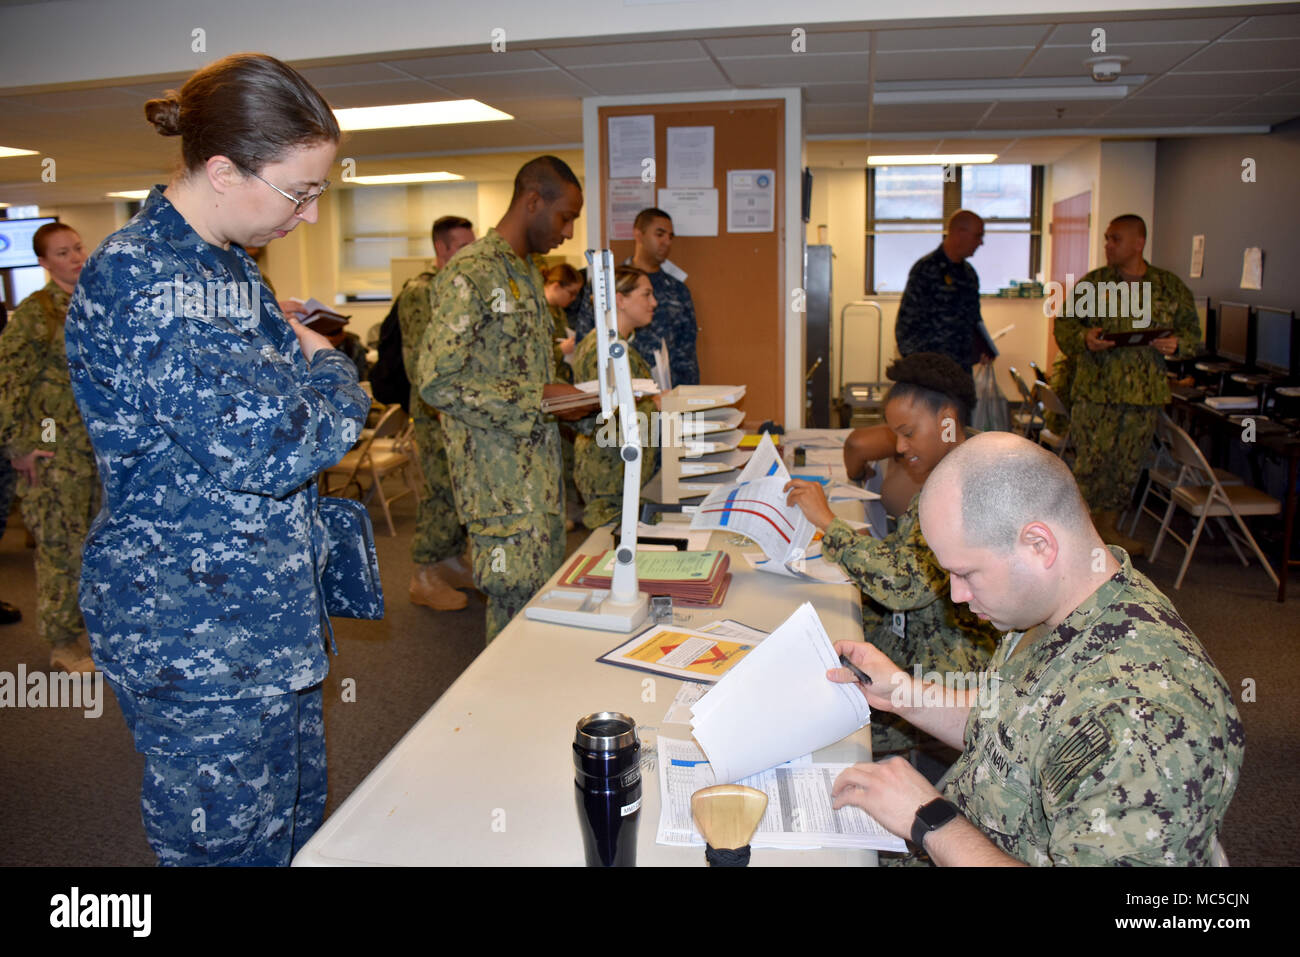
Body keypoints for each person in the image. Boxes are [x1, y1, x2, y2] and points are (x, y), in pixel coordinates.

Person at [64, 53, 368, 866]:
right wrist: (337, 371)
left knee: (297, 832)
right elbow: (269, 445)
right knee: (229, 852)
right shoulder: (143, 276)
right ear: (226, 171)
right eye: (300, 192)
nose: (308, 216)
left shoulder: (227, 265)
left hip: (260, 619)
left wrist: (295, 360)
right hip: (194, 633)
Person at [828, 432, 1243, 865]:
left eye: (966, 573)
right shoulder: (1052, 607)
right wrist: (901, 693)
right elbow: (1009, 727)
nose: (956, 595)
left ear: (1039, 545)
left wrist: (930, 821)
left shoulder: (1144, 722)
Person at [784, 353, 999, 753]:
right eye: (895, 434)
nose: (899, 447)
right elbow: (910, 557)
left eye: (908, 432)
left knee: (827, 726)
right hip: (919, 640)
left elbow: (904, 585)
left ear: (948, 420)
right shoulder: (953, 470)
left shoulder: (970, 486)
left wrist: (830, 523)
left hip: (948, 673)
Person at [419, 155, 588, 642]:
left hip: (538, 484)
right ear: (532, 201)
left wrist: (574, 404)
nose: (569, 231)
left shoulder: (525, 273)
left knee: (538, 615)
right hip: (500, 491)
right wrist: (540, 399)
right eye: (565, 216)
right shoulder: (471, 272)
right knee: (515, 620)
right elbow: (437, 381)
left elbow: (524, 374)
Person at [1054, 214, 1199, 556]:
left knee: (1127, 467)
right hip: (1096, 393)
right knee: (1091, 464)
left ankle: (1110, 531)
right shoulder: (1093, 285)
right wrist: (1085, 338)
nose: (1108, 245)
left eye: (1115, 239)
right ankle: (1082, 537)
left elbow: (1193, 334)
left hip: (1143, 396)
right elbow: (1064, 328)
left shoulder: (1168, 287)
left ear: (1138, 243)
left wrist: (1177, 344)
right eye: (1107, 238)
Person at [0, 223, 99, 669]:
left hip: (99, 447)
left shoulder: (95, 305)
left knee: (97, 545)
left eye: (78, 247)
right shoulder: (34, 315)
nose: (76, 257)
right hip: (52, 441)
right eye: (63, 252)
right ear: (44, 262)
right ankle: (63, 644)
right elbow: (8, 387)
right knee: (61, 546)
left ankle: (96, 632)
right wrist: (20, 446)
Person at [400, 215, 477, 612]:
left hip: (461, 411)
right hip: (435, 413)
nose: (471, 254)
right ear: (441, 249)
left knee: (459, 490)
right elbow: (420, 364)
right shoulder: (421, 292)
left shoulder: (460, 289)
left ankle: (450, 562)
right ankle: (424, 576)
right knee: (439, 491)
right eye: (462, 247)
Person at [571, 266, 659, 529]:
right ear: (620, 300)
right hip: (608, 477)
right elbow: (603, 420)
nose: (653, 303)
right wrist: (653, 404)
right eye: (646, 295)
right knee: (610, 549)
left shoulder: (616, 345)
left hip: (618, 474)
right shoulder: (605, 350)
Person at [895, 210, 990, 374]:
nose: (981, 242)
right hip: (930, 373)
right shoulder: (925, 270)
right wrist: (920, 370)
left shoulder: (969, 275)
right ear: (960, 233)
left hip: (961, 372)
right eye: (977, 236)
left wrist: (984, 348)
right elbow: (905, 327)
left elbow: (975, 320)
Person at [627, 208, 699, 387]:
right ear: (639, 235)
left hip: (669, 396)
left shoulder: (677, 290)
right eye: (659, 234)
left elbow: (687, 352)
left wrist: (688, 400)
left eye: (670, 237)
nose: (667, 242)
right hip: (624, 395)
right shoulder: (614, 284)